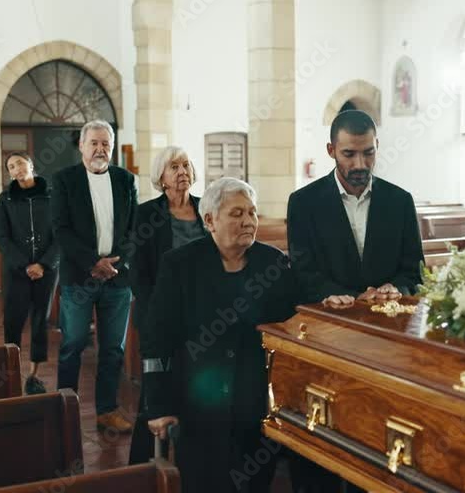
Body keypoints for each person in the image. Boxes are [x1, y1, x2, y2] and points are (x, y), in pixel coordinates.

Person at [284, 109, 424, 492]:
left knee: (378, 439)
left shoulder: (399, 201)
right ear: (331, 150)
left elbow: (415, 270)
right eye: (349, 154)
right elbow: (303, 272)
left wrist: (397, 287)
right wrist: (335, 294)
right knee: (332, 440)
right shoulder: (304, 203)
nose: (360, 164)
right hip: (330, 339)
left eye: (368, 153)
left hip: (386, 343)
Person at [144, 177, 298, 492]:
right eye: (237, 213)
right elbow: (157, 339)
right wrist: (159, 406)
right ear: (210, 220)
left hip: (255, 409)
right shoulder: (180, 265)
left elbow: (291, 329)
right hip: (198, 411)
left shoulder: (274, 264)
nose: (248, 221)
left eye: (253, 213)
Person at [51, 119, 138, 434]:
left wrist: (115, 262)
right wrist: (92, 262)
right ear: (82, 146)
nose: (100, 149)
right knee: (73, 343)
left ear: (112, 147)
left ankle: (106, 410)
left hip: (117, 277)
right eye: (94, 143)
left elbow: (133, 229)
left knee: (112, 349)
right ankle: (65, 407)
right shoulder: (64, 180)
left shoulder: (127, 180)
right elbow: (60, 229)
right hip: (79, 276)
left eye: (106, 144)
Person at [128, 146, 206, 464]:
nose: (182, 171)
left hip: (203, 317)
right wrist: (156, 316)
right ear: (161, 176)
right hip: (161, 316)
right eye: (173, 166)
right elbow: (138, 274)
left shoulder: (206, 208)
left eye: (186, 164)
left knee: (198, 390)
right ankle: (141, 466)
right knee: (155, 393)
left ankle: (192, 463)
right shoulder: (146, 214)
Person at [0, 152, 59, 395]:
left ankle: (33, 376)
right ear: (9, 173)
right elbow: (2, 237)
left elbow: (61, 233)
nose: (16, 168)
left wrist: (44, 264)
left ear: (31, 164)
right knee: (13, 319)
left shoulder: (52, 196)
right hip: (16, 270)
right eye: (11, 166)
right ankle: (10, 372)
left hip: (47, 270)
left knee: (40, 321)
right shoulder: (6, 199)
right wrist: (24, 265)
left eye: (20, 163)